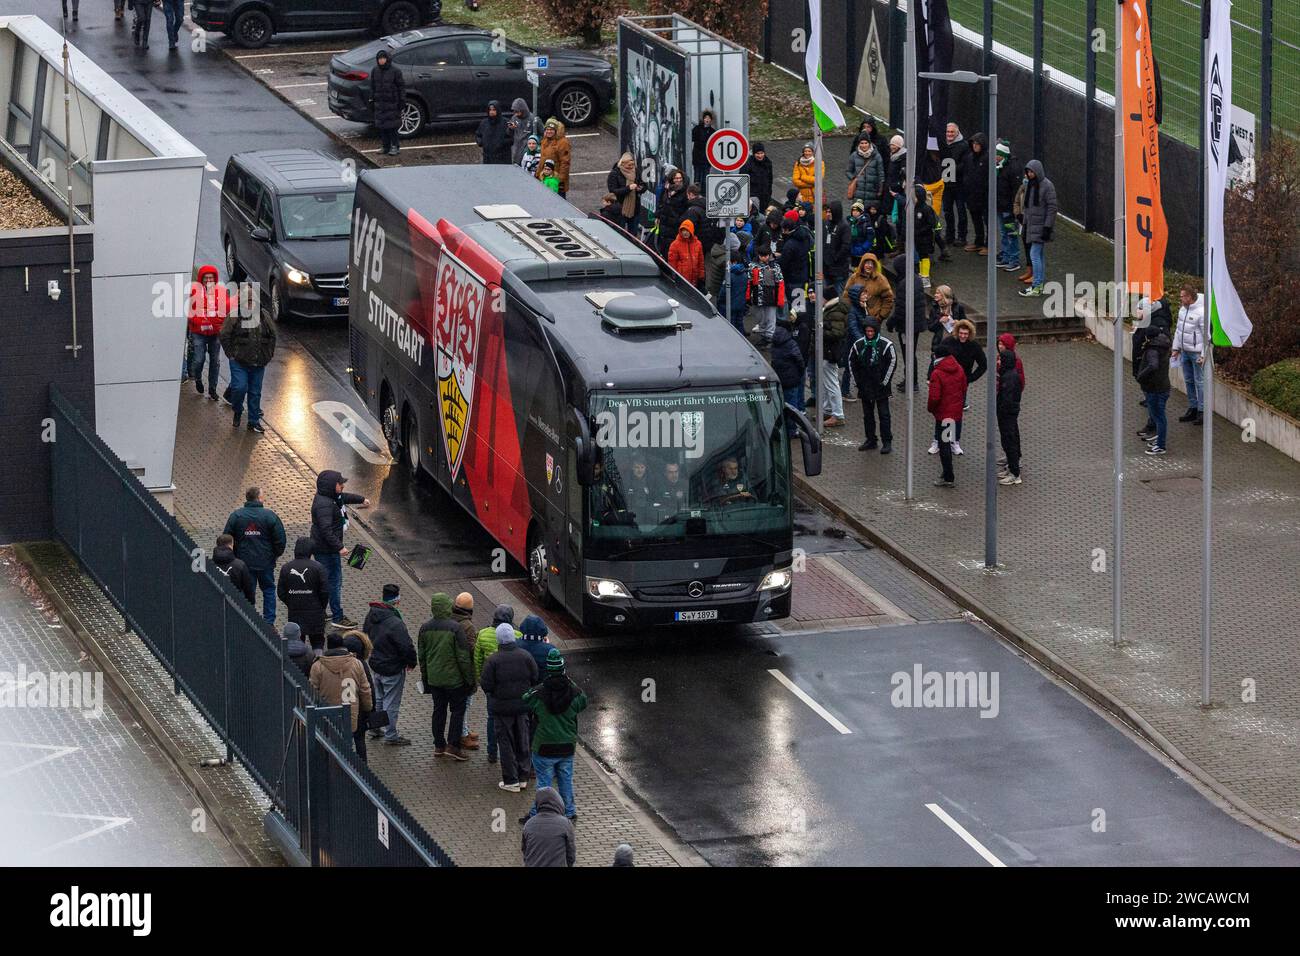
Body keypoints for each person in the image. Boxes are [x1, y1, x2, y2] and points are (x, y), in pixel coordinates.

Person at [522, 649, 587, 823]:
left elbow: (526, 698)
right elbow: (584, 701)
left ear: (548, 670)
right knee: (565, 780)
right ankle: (569, 812)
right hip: (566, 746)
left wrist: (545, 683)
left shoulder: (539, 694)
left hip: (544, 747)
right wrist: (567, 680)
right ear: (563, 669)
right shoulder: (574, 693)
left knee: (543, 784)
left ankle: (538, 814)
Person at [480, 621, 538, 792]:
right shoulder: (526, 656)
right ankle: (523, 777)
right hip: (522, 707)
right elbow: (535, 677)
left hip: (502, 709)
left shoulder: (493, 660)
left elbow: (486, 685)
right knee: (523, 741)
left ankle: (511, 780)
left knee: (506, 744)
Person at [418, 592, 475, 761]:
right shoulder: (455, 628)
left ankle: (438, 745)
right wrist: (469, 680)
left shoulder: (425, 628)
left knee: (438, 711)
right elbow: (463, 657)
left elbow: (422, 656)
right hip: (454, 681)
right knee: (457, 712)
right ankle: (453, 746)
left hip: (435, 680)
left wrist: (425, 678)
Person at [309, 469, 370, 629]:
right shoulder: (325, 505)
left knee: (325, 581)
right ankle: (337, 617)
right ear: (331, 485)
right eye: (340, 483)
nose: (342, 485)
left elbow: (345, 497)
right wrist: (340, 547)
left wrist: (361, 499)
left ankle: (320, 613)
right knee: (334, 582)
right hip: (327, 550)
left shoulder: (330, 497)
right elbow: (325, 530)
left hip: (325, 548)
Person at [223, 486, 286, 625]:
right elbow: (280, 540)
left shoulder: (237, 516)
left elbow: (226, 538)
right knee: (268, 589)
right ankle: (269, 622)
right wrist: (274, 555)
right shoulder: (270, 516)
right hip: (265, 562)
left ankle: (248, 619)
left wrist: (234, 557)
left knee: (246, 591)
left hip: (244, 563)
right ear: (259, 498)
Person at [364, 584, 416, 746]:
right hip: (392, 667)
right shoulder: (395, 622)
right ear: (396, 599)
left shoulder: (371, 615)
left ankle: (375, 727)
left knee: (379, 698)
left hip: (376, 663)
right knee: (391, 703)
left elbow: (365, 635)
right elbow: (406, 646)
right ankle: (391, 735)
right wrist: (411, 662)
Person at [218, 294, 275, 433]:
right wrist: (231, 354)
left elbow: (273, 335)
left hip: (258, 363)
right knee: (239, 388)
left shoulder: (264, 315)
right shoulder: (234, 315)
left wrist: (268, 355)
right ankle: (237, 409)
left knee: (255, 392)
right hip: (239, 362)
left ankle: (253, 421)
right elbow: (224, 334)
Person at [310, 632, 373, 758]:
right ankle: (361, 770)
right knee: (358, 741)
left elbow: (312, 692)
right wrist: (368, 708)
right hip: (352, 712)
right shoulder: (356, 664)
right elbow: (365, 689)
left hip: (328, 714)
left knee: (332, 745)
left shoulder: (318, 666)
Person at [474, 604, 520, 764]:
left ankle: (492, 752)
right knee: (513, 720)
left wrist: (481, 680)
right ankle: (512, 751)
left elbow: (477, 659)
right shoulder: (517, 635)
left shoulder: (483, 634)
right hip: (512, 687)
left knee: (492, 718)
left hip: (491, 687)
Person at [849, 319, 896, 453]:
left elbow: (892, 362)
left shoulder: (886, 345)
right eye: (867, 331)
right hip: (865, 387)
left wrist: (885, 382)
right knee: (868, 415)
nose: (869, 333)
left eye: (872, 331)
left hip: (881, 387)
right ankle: (870, 440)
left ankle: (887, 442)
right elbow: (852, 363)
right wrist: (858, 383)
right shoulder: (858, 345)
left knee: (884, 415)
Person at [1135, 298, 1174, 455]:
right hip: (1161, 386)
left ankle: (1161, 444)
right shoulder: (1162, 345)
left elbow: (1152, 366)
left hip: (1155, 388)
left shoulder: (1152, 349)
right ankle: (1159, 440)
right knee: (1159, 415)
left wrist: (1140, 376)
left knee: (1158, 415)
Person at [884, 253, 926, 393]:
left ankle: (912, 382)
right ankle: (910, 380)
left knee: (908, 353)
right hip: (916, 324)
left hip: (907, 326)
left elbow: (901, 309)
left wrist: (891, 322)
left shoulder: (904, 284)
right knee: (911, 352)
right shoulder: (916, 280)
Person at [927, 342, 967, 488]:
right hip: (954, 414)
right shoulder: (959, 369)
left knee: (944, 445)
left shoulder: (937, 373)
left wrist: (931, 409)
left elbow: (934, 398)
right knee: (947, 442)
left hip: (944, 415)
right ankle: (947, 473)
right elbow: (963, 388)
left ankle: (948, 476)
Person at [278, 537, 329, 650]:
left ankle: (299, 664)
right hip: (315, 612)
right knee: (317, 641)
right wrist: (321, 606)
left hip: (295, 611)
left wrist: (291, 602)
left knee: (297, 641)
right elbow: (325, 591)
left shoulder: (286, 568)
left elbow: (281, 592)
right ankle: (317, 663)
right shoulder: (318, 568)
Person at [187, 264, 228, 401]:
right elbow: (189, 311)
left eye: (211, 278)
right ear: (202, 279)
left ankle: (212, 388)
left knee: (215, 361)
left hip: (215, 333)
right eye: (206, 278)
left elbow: (224, 311)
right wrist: (201, 322)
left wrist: (212, 322)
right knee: (199, 360)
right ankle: (198, 378)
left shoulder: (221, 292)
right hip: (198, 332)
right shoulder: (194, 291)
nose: (209, 280)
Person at [1017, 160, 1057, 297]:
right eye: (1028, 172)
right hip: (1033, 226)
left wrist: (1047, 227)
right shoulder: (1031, 185)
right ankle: (1038, 284)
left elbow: (1052, 208)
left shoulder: (1047, 186)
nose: (1029, 174)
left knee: (1034, 255)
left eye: (1031, 171)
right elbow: (1028, 207)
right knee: (1038, 255)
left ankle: (1037, 285)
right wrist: (1025, 221)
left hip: (1040, 227)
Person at [1172, 284, 1206, 425]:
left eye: (1182, 296)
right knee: (1189, 381)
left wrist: (1203, 355)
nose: (1180, 298)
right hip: (1185, 351)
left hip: (1196, 353)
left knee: (1200, 382)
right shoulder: (1182, 310)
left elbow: (1206, 336)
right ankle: (1192, 407)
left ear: (1189, 297)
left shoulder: (1202, 312)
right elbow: (1178, 331)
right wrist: (1176, 348)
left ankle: (1202, 411)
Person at [341, 631, 377, 762]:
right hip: (360, 710)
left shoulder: (340, 662)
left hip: (341, 706)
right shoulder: (361, 665)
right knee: (360, 740)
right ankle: (363, 768)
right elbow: (368, 689)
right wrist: (370, 708)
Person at [521, 787, 575, 868]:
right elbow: (570, 852)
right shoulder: (565, 824)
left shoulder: (529, 824)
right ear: (558, 802)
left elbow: (525, 850)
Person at [996, 334, 1024, 484]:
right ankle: (1012, 468)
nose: (999, 361)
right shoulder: (1009, 375)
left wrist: (1002, 409)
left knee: (1010, 440)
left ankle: (1014, 473)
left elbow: (1007, 398)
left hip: (1007, 413)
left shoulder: (1009, 377)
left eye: (1001, 360)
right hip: (1008, 412)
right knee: (1008, 440)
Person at [771, 317, 806, 431]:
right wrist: (800, 373)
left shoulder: (774, 342)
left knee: (782, 403)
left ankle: (783, 427)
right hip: (792, 379)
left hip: (780, 378)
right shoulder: (791, 343)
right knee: (792, 405)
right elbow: (799, 360)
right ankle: (792, 429)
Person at [820, 290, 849, 428]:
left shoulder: (834, 311)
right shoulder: (832, 309)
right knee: (828, 382)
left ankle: (838, 415)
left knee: (832, 384)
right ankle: (828, 410)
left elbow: (837, 333)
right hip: (830, 352)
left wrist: (821, 329)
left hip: (830, 353)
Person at [369, 49, 406, 158]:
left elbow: (401, 87)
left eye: (383, 58)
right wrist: (371, 99)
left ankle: (395, 146)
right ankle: (385, 146)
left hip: (392, 103)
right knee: (382, 126)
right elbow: (372, 86)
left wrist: (401, 101)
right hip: (380, 103)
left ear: (387, 59)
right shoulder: (375, 71)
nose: (381, 61)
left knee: (392, 126)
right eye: (379, 59)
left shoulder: (395, 71)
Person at [746, 244, 785, 346]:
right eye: (761, 255)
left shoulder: (775, 266)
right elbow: (749, 282)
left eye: (766, 255)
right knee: (760, 317)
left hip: (771, 297)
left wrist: (780, 299)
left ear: (769, 255)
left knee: (770, 318)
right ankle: (764, 336)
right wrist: (747, 296)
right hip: (757, 296)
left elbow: (780, 283)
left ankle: (769, 338)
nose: (763, 257)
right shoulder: (752, 266)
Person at [995, 141, 1022, 273]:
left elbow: (1016, 191)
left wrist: (1014, 209)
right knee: (1004, 233)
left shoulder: (1012, 168)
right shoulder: (999, 167)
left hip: (1008, 209)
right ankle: (1006, 256)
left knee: (1011, 234)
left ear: (1002, 155)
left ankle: (1014, 260)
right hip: (1001, 207)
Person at [943, 123, 972, 248]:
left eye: (952, 132)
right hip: (946, 184)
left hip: (959, 184)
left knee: (961, 211)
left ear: (957, 132)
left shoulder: (964, 146)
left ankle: (962, 236)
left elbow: (966, 164)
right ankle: (949, 235)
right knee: (947, 211)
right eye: (948, 132)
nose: (949, 134)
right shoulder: (942, 144)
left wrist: (951, 168)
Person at [778, 210, 813, 308]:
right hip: (802, 276)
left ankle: (797, 322)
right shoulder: (804, 236)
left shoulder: (790, 244)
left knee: (796, 307)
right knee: (799, 306)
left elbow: (784, 262)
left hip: (792, 278)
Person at [606, 152, 646, 233]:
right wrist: (628, 188)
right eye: (629, 165)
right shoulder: (614, 174)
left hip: (634, 208)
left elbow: (643, 185)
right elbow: (612, 191)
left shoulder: (636, 171)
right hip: (620, 208)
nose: (631, 167)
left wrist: (640, 188)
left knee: (633, 234)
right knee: (619, 233)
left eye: (632, 165)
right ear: (623, 164)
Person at [964, 133, 990, 254]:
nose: (975, 146)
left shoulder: (987, 158)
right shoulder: (969, 158)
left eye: (977, 144)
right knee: (976, 219)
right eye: (973, 143)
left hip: (984, 196)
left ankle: (988, 244)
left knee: (987, 221)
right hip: (972, 195)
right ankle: (978, 242)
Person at [212, 533, 255, 605]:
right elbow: (248, 588)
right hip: (236, 603)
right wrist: (251, 603)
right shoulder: (240, 565)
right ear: (231, 545)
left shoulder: (208, 564)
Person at [655, 168, 689, 255]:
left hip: (676, 224)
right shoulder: (667, 190)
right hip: (664, 223)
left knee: (674, 250)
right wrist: (657, 216)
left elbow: (686, 207)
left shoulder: (685, 191)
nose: (678, 180)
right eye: (676, 178)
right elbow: (661, 203)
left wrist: (679, 220)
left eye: (680, 178)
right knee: (664, 248)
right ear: (672, 179)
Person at [823, 200, 852, 300]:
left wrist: (835, 258)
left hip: (838, 269)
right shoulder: (826, 223)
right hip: (826, 268)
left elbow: (846, 246)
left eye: (830, 212)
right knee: (826, 295)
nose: (828, 214)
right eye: (827, 212)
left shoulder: (844, 227)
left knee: (838, 297)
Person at [847, 136, 884, 209]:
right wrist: (854, 178)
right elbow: (848, 171)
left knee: (871, 217)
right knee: (857, 216)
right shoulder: (854, 155)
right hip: (858, 192)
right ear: (859, 144)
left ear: (869, 144)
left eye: (866, 143)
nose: (864, 145)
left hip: (872, 192)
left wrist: (880, 189)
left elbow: (881, 174)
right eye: (862, 143)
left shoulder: (877, 156)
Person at [537, 118, 571, 196]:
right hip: (545, 178)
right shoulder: (545, 139)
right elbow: (542, 159)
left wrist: (560, 180)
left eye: (551, 129)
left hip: (555, 180)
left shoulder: (563, 143)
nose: (549, 131)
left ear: (556, 130)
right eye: (547, 129)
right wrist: (538, 174)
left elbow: (565, 163)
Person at [667, 220, 704, 289]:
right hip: (681, 279)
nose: (685, 233)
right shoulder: (675, 244)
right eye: (683, 230)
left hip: (694, 279)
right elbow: (672, 263)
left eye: (687, 230)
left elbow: (700, 261)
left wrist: (701, 276)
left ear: (691, 231)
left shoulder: (698, 244)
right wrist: (674, 276)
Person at [475, 100, 512, 165]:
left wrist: (501, 143)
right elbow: (478, 135)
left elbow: (512, 138)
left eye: (494, 110)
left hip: (502, 158)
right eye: (490, 110)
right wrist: (481, 142)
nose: (491, 112)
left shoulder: (506, 122)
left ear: (498, 110)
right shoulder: (484, 123)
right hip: (487, 157)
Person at [743, 141, 775, 213]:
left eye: (761, 153)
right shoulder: (748, 164)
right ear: (754, 154)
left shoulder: (768, 163)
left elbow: (770, 179)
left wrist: (769, 194)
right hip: (752, 196)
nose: (760, 156)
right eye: (757, 153)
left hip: (765, 196)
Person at [690, 109, 714, 186]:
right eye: (705, 118)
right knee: (697, 177)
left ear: (711, 120)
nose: (707, 120)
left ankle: (704, 194)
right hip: (697, 157)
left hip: (707, 159)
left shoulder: (712, 131)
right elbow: (692, 138)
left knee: (705, 178)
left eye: (709, 118)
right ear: (703, 119)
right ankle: (696, 193)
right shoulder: (697, 129)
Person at [507, 97, 534, 165]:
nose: (516, 114)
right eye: (515, 112)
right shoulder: (514, 118)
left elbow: (541, 133)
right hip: (516, 150)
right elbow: (508, 134)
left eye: (517, 112)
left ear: (523, 110)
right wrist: (510, 128)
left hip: (527, 150)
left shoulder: (532, 119)